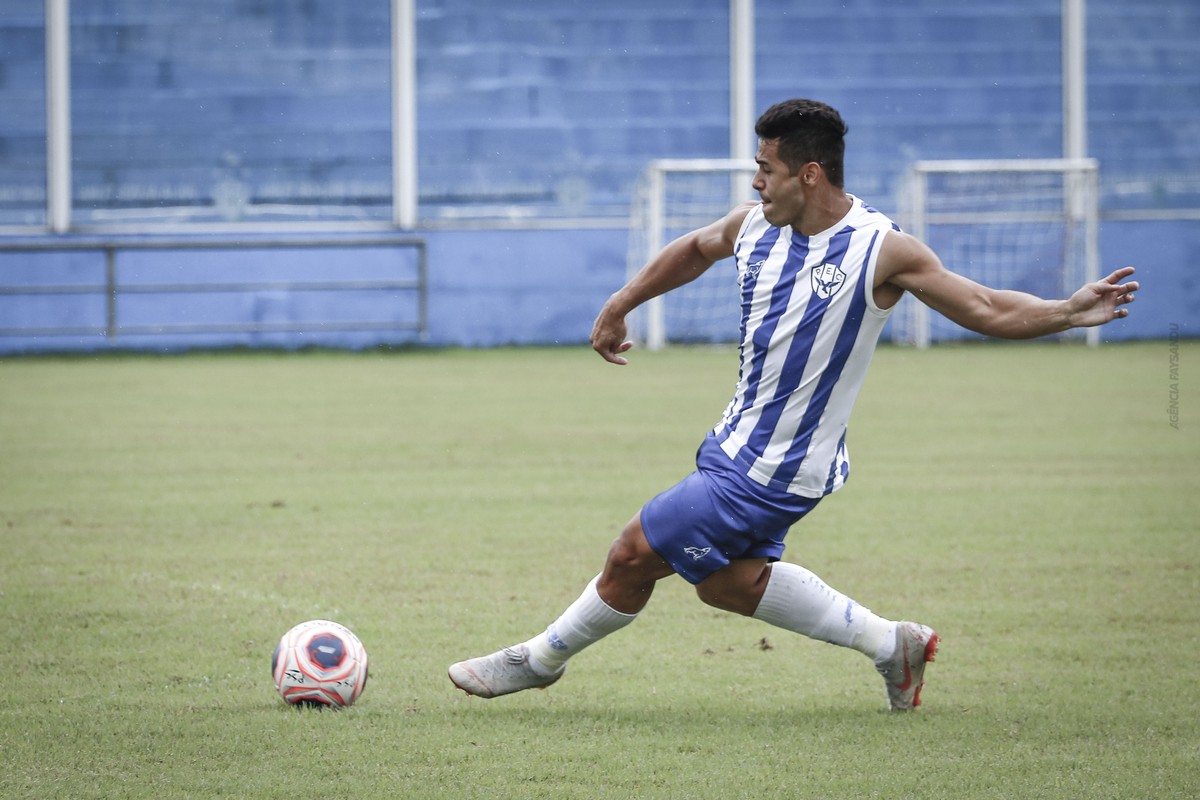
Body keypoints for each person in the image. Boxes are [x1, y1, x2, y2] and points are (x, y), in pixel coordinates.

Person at [448, 98, 1138, 711]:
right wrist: (622, 301)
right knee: (724, 584)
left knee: (633, 552)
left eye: (766, 169)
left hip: (777, 470)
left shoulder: (879, 249)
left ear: (809, 173)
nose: (756, 181)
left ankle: (538, 661)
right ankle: (891, 644)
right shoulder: (756, 226)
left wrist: (1064, 311)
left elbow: (983, 305)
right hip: (732, 446)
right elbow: (696, 247)